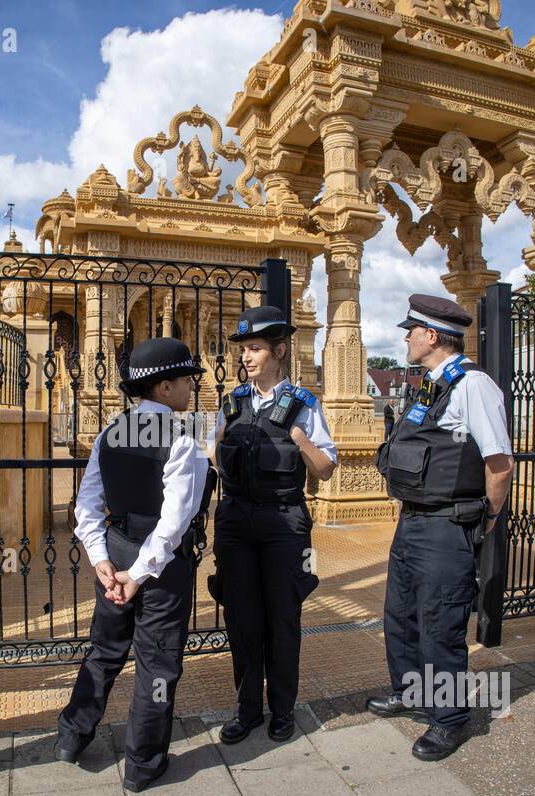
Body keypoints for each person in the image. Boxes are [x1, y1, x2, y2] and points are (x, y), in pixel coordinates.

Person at [55, 338, 214, 791]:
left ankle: (72, 735)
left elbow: (86, 505)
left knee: (105, 650)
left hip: (119, 549)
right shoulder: (183, 439)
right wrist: (139, 573)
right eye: (185, 380)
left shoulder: (111, 432)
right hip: (158, 567)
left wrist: (103, 561)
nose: (190, 388)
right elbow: (174, 522)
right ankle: (142, 763)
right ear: (164, 387)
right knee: (157, 663)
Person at [371, 294, 515, 760]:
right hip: (411, 523)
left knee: (439, 624)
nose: (407, 337)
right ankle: (410, 691)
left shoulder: (474, 385)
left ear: (431, 336)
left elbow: (499, 463)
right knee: (401, 615)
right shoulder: (432, 384)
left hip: (446, 527)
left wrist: (488, 518)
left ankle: (449, 718)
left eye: (411, 330)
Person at [207, 304, 337, 744]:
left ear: (279, 351)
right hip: (236, 520)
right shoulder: (231, 402)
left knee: (283, 619)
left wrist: (300, 440)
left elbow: (324, 470)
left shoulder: (303, 405)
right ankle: (247, 711)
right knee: (242, 619)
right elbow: (210, 457)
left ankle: (282, 710)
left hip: (284, 522)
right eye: (244, 349)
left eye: (256, 348)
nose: (247, 357)